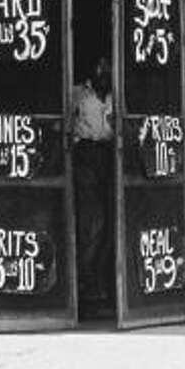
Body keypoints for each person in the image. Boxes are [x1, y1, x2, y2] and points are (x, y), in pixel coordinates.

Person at [70, 56, 115, 306]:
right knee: (92, 220)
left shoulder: (114, 94)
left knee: (110, 221)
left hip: (109, 155)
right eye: (100, 66)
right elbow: (66, 121)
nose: (103, 70)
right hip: (86, 154)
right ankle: (84, 278)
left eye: (107, 66)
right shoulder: (78, 92)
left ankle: (98, 280)